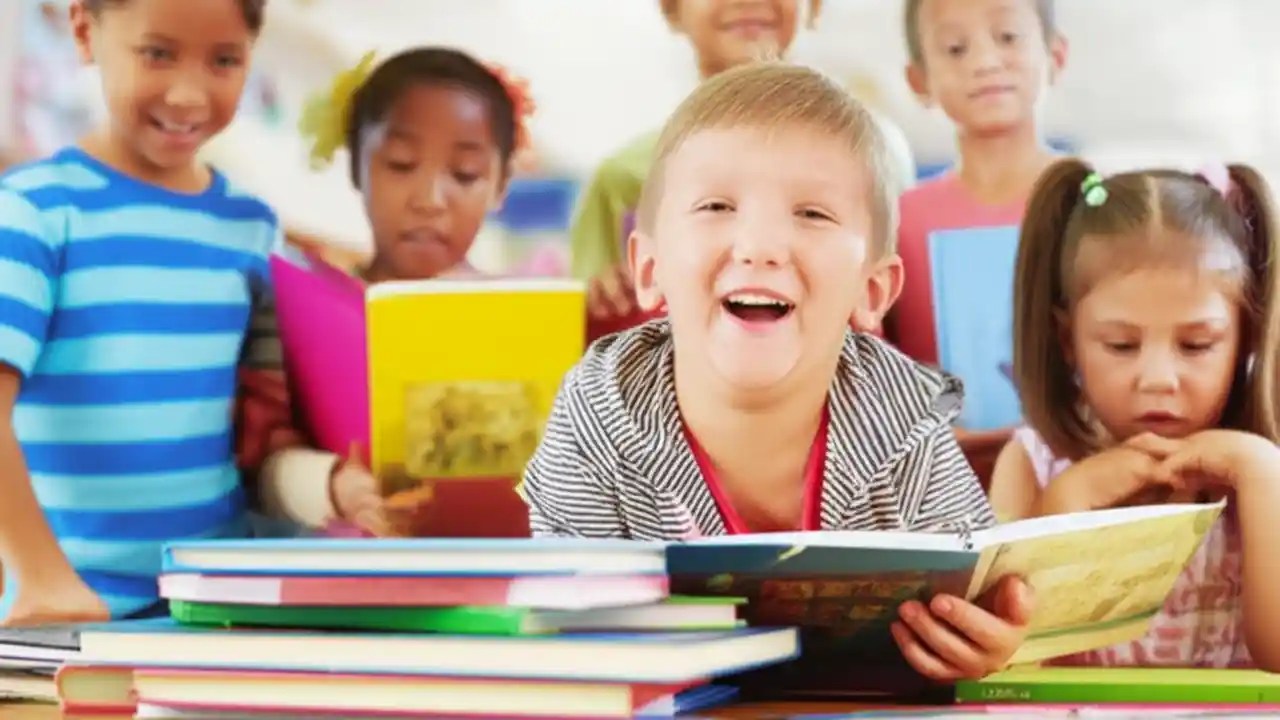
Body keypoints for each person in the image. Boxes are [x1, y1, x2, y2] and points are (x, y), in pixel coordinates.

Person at [523, 61, 1032, 682]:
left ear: (873, 290)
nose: (759, 245)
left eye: (812, 214)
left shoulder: (906, 425)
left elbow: (978, 601)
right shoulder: (596, 418)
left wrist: (985, 646)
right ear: (649, 269)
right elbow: (565, 629)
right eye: (716, 205)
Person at [0, 0, 275, 624]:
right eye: (157, 53)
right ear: (83, 31)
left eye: (224, 60)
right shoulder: (34, 211)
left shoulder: (252, 229)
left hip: (215, 607)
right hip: (66, 609)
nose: (187, 94)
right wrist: (43, 578)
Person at [989, 159, 1280, 670]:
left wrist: (1260, 474)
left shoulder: (1265, 467)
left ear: (1245, 340)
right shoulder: (1032, 463)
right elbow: (1018, 666)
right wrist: (1071, 496)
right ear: (1068, 341)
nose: (1158, 378)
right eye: (1122, 345)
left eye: (1196, 344)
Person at [245, 47, 536, 536]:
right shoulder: (298, 304)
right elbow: (260, 462)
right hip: (350, 580)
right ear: (357, 167)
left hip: (494, 572)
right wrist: (334, 487)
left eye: (465, 175)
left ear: (501, 184)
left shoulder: (529, 316)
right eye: (401, 164)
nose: (429, 200)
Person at [571, 0, 914, 340]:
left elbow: (905, 324)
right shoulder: (621, 181)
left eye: (812, 213)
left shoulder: (877, 154)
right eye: (715, 207)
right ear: (671, 8)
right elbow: (589, 330)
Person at [887, 0, 1069, 481]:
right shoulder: (902, 219)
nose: (985, 62)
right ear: (918, 80)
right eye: (955, 48)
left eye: (1008, 37)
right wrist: (932, 425)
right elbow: (887, 364)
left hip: (1075, 472)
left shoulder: (1089, 198)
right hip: (945, 481)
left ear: (1056, 55)